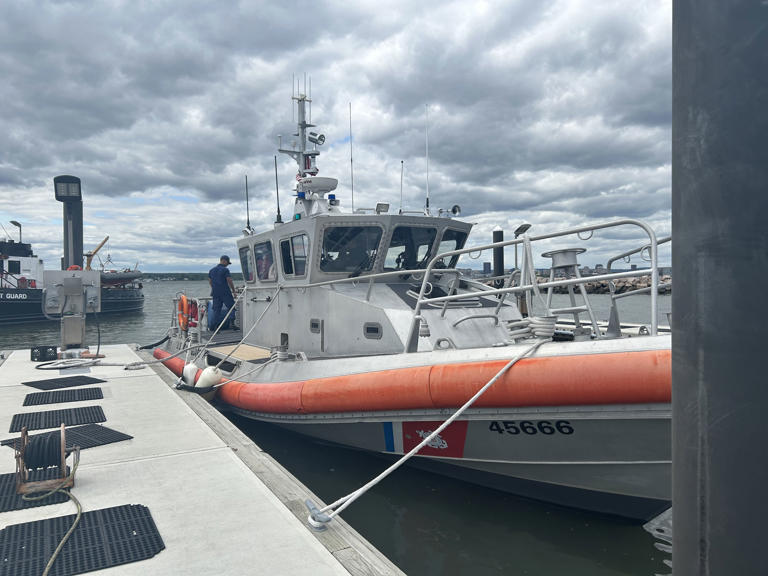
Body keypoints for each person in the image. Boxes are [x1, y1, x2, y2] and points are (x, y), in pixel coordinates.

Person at [208, 255, 237, 330]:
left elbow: (210, 282)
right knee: (231, 307)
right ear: (224, 261)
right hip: (225, 292)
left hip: (215, 293)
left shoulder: (211, 270)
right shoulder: (225, 270)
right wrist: (234, 291)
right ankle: (232, 324)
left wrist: (214, 288)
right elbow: (229, 280)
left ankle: (214, 327)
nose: (227, 265)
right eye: (227, 263)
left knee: (216, 310)